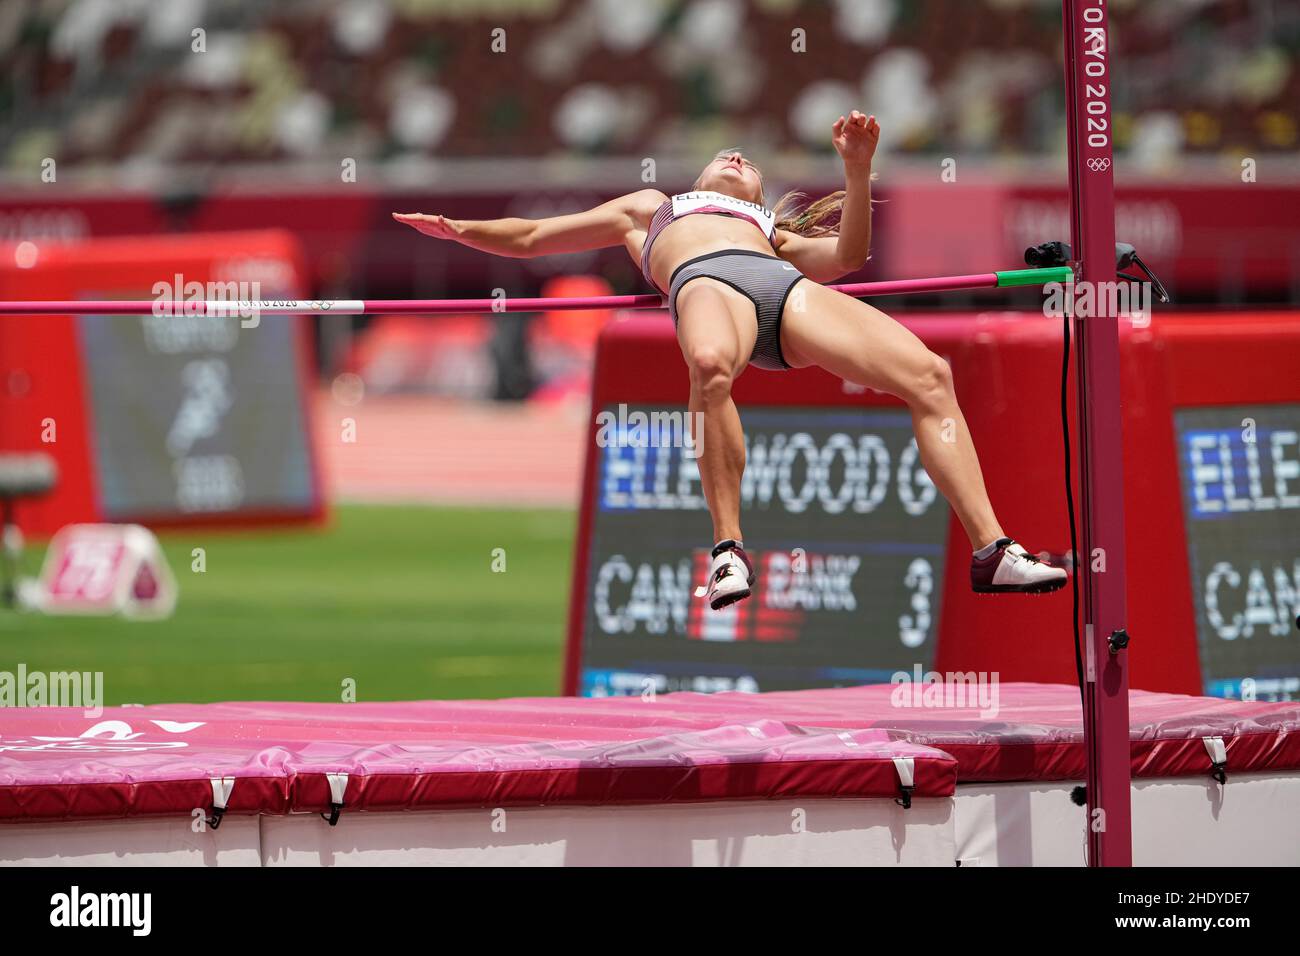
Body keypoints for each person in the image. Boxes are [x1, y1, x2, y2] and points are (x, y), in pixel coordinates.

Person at [395, 110, 1068, 610]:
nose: (740, 157)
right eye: (729, 154)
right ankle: (728, 551)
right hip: (707, 280)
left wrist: (857, 170)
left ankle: (993, 551)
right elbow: (536, 236)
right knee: (712, 366)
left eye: (751, 163)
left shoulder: (767, 229)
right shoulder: (652, 208)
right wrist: (459, 231)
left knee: (930, 375)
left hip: (781, 289)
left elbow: (847, 258)